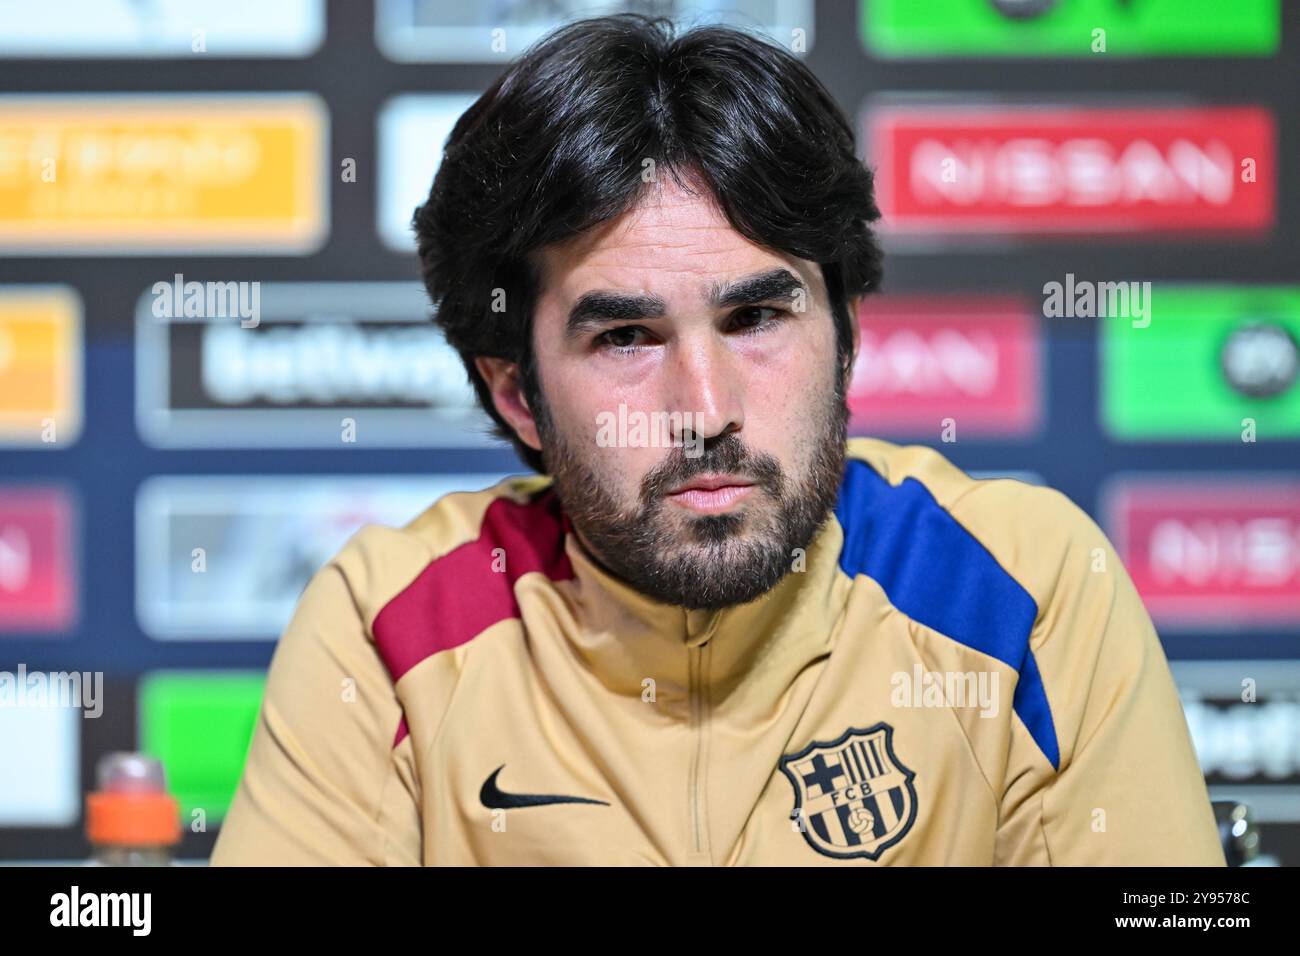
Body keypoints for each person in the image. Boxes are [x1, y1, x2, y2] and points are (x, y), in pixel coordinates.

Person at [211, 14, 1223, 866]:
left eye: (755, 319)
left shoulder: (1024, 589)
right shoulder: (389, 627)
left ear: (848, 335)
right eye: (624, 337)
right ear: (517, 392)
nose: (705, 405)